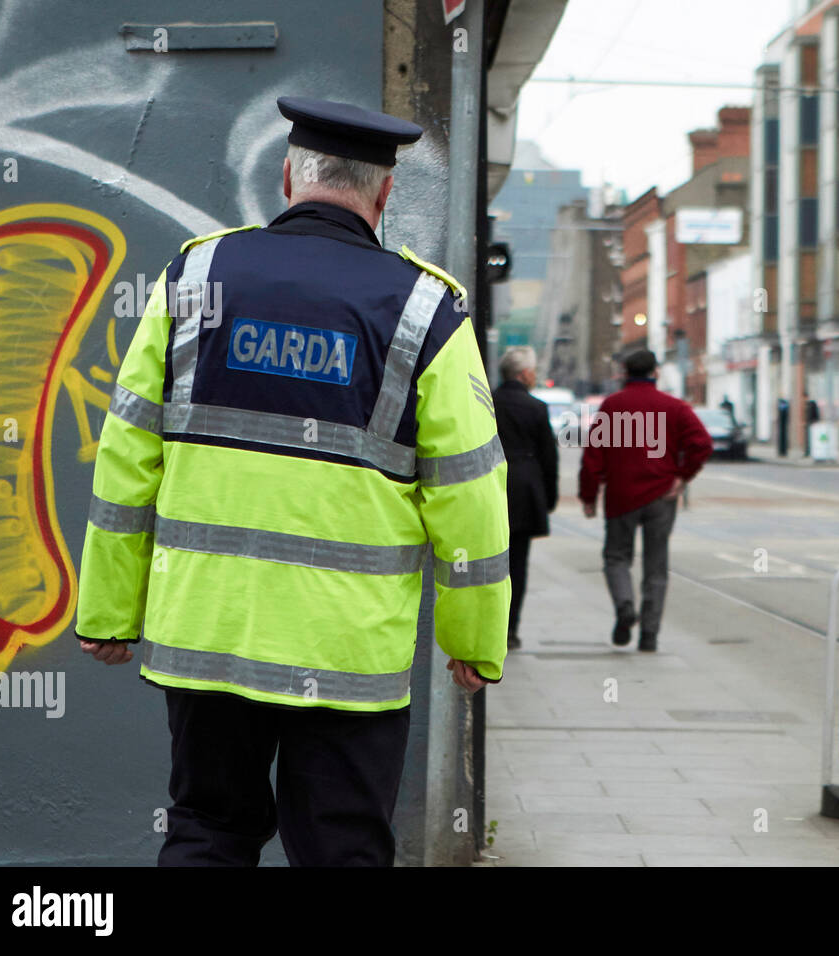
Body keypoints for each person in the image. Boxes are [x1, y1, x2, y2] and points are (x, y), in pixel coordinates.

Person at [75, 95, 510, 867]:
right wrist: (472, 637)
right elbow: (469, 488)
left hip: (208, 635)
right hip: (346, 653)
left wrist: (109, 610)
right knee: (341, 849)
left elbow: (128, 451)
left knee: (207, 831)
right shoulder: (424, 309)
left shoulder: (195, 274)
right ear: (384, 194)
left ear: (287, 177)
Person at [578, 350, 712, 652]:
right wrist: (682, 476)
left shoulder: (612, 406)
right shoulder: (674, 407)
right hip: (661, 496)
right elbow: (701, 443)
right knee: (656, 566)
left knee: (616, 558)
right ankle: (649, 635)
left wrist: (589, 496)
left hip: (621, 496)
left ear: (624, 372)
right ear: (656, 372)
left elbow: (593, 456)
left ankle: (625, 606)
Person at [492, 346, 558, 649]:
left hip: (492, 487)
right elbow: (549, 458)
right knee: (518, 564)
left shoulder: (487, 400)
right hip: (525, 490)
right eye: (532, 371)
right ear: (523, 374)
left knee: (490, 561)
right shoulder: (536, 408)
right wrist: (549, 497)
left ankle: (489, 626)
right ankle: (510, 629)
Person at [804, 391, 821, 457]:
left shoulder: (812, 403)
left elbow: (815, 414)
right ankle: (807, 452)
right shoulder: (807, 404)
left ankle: (811, 452)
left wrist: (815, 421)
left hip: (812, 423)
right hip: (808, 423)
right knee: (808, 439)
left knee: (812, 438)